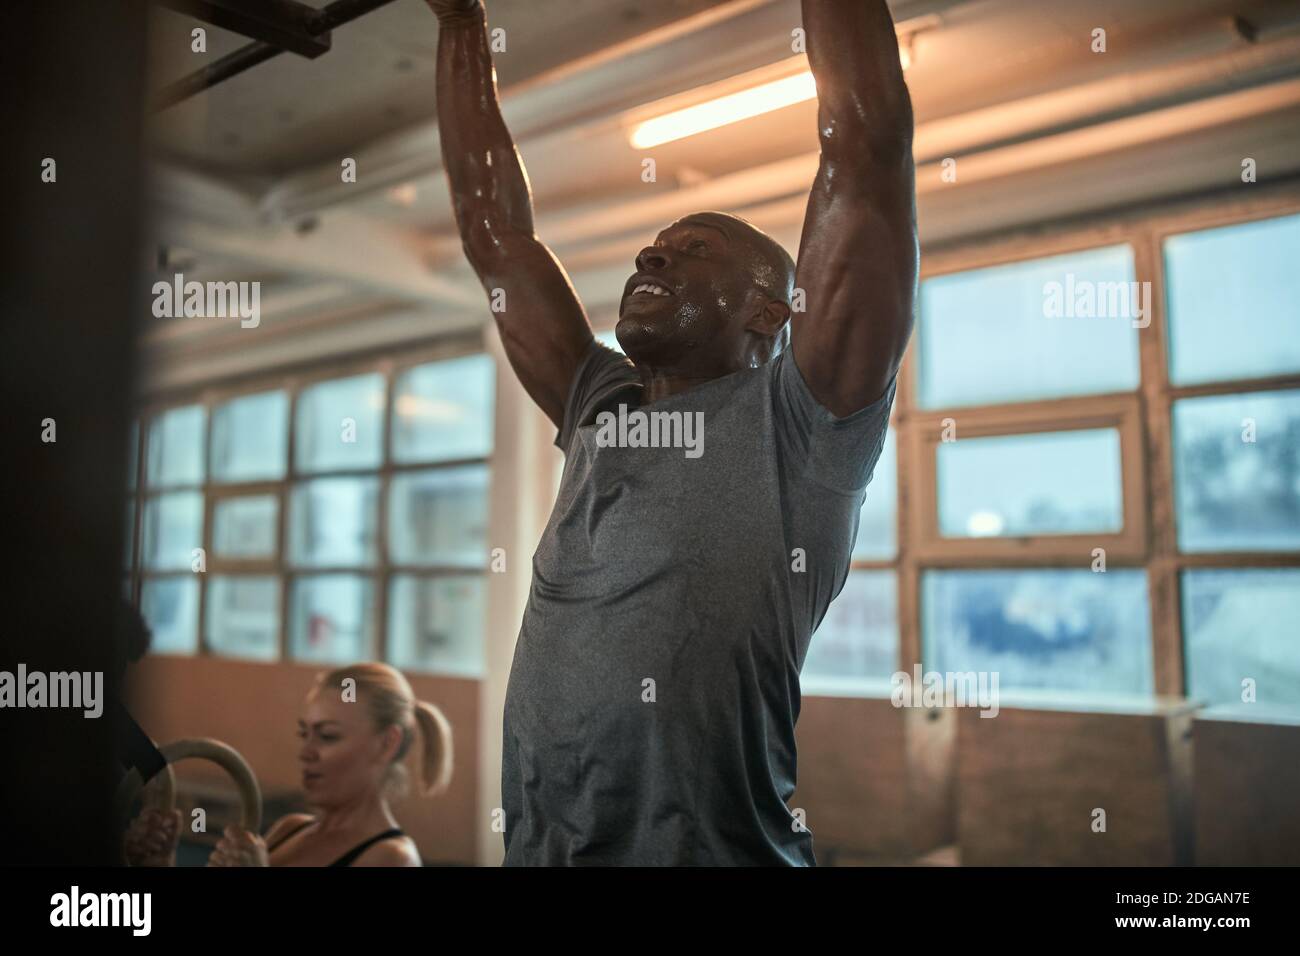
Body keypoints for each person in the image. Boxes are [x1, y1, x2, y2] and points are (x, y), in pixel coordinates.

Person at [430, 0, 917, 865]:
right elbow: (494, 233)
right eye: (653, 247)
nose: (651, 258)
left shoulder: (803, 421)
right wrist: (461, 22)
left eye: (693, 251)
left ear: (773, 312)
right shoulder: (600, 405)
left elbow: (867, 151)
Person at [123, 663, 452, 867]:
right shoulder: (289, 829)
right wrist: (159, 862)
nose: (306, 752)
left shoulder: (393, 859)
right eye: (304, 734)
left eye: (328, 736)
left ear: (387, 743)